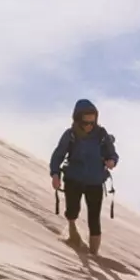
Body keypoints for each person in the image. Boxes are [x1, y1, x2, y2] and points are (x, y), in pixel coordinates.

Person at [48, 99, 119, 255]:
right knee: (72, 211)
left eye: (92, 123)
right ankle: (72, 232)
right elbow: (58, 155)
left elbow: (112, 153)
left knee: (94, 219)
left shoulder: (101, 135)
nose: (89, 126)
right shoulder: (70, 135)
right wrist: (55, 174)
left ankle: (94, 256)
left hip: (95, 182)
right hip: (73, 179)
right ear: (77, 120)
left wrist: (112, 161)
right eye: (85, 123)